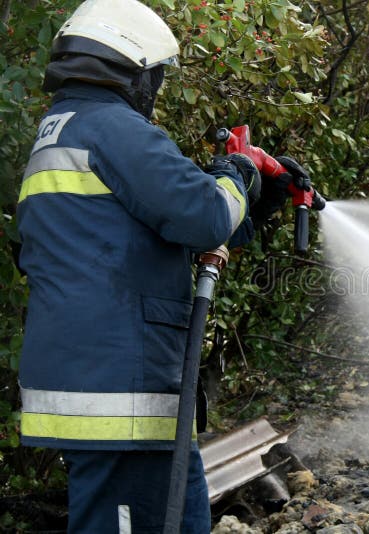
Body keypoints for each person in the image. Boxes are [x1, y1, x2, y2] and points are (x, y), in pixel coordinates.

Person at [15, 0, 310, 531]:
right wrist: (239, 169)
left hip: (114, 389)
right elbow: (204, 214)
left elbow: (181, 227)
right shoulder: (110, 127)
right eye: (154, 77)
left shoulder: (64, 130)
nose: (154, 91)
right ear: (129, 67)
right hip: (118, 393)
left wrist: (258, 196)